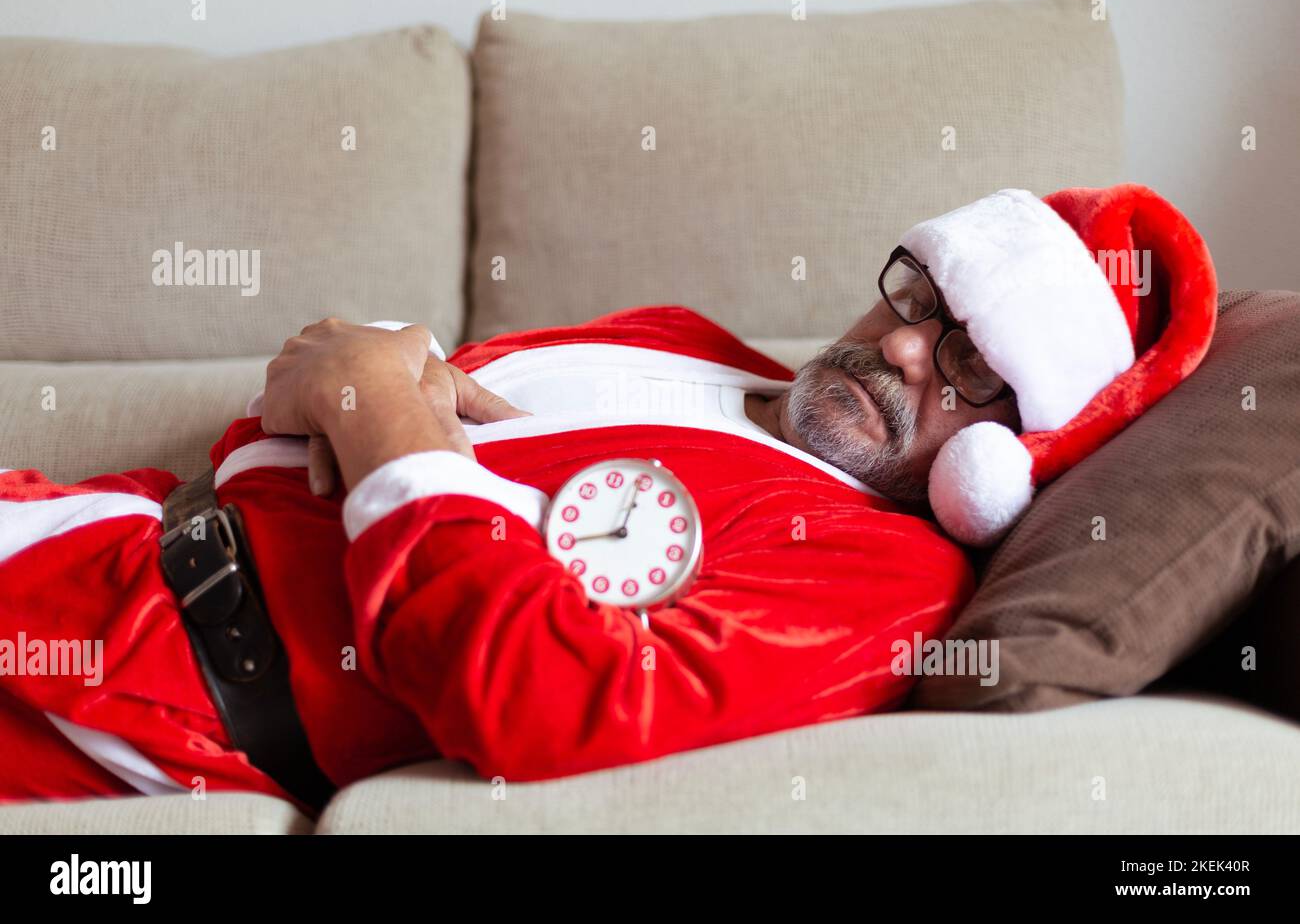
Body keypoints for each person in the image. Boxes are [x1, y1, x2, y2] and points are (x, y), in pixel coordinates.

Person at [0, 184, 1215, 809]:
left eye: (972, 371)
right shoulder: (682, 340)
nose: (905, 352)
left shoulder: (879, 573)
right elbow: (332, 404)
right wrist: (352, 388)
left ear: (1004, 460)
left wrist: (378, 409)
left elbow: (559, 702)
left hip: (136, 696)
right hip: (87, 520)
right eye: (920, 301)